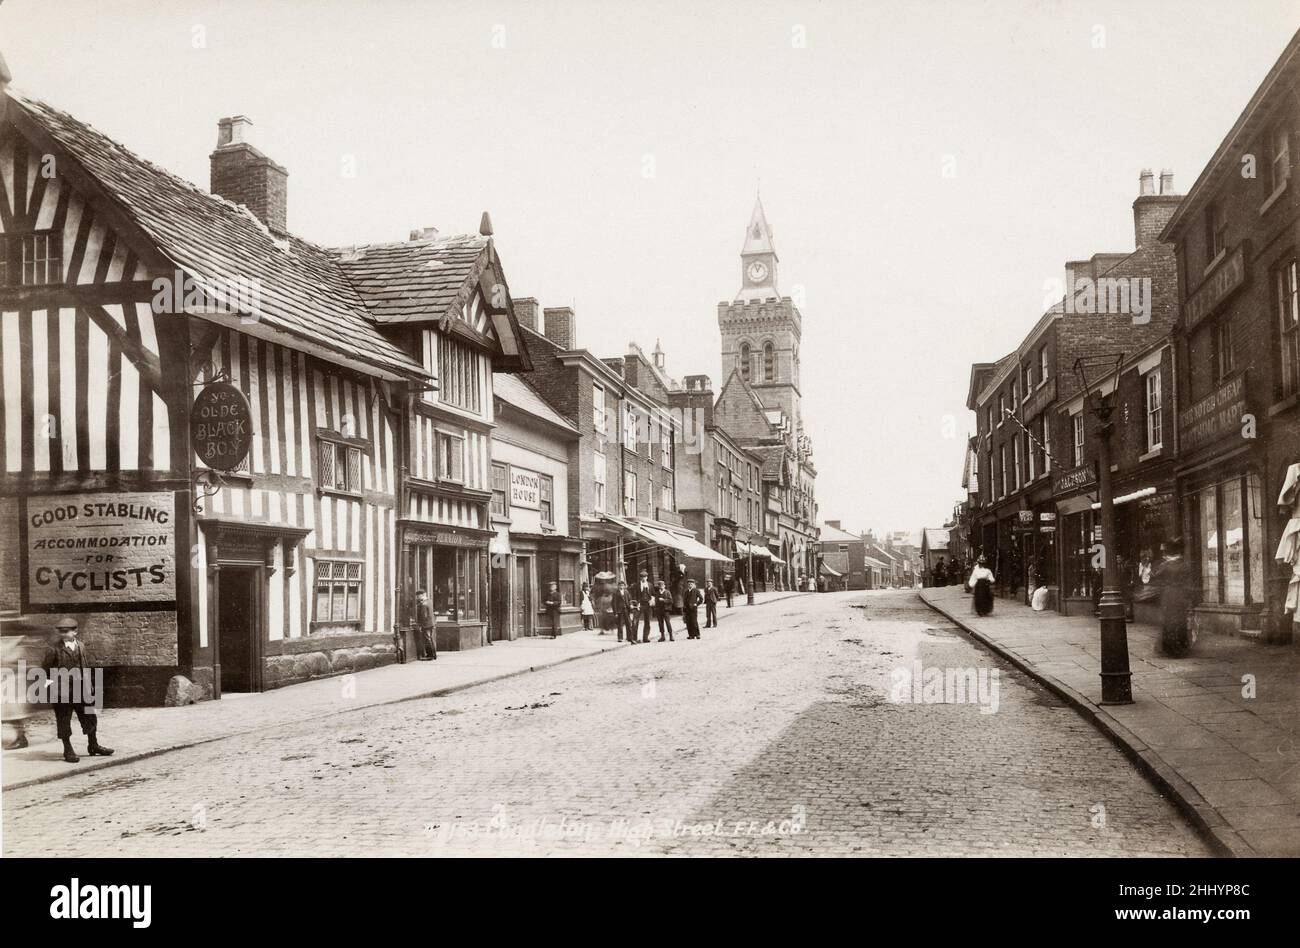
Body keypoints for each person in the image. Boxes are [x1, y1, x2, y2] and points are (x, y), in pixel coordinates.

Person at [41, 618, 113, 763]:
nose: (63, 634)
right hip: (62, 691)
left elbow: (84, 665)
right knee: (64, 720)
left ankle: (93, 745)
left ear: (75, 631)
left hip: (81, 689)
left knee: (90, 717)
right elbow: (45, 670)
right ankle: (68, 750)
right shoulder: (53, 649)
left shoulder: (81, 646)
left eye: (66, 631)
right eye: (61, 631)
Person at [1152, 539, 1193, 656]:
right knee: (1179, 620)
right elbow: (1187, 577)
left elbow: (1155, 575)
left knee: (1168, 620)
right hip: (1180, 594)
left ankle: (1169, 647)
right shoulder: (1183, 564)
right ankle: (1180, 647)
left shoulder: (1166, 565)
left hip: (1168, 594)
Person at [414, 589, 437, 660]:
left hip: (426, 624)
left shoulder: (423, 604)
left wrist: (420, 625)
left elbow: (424, 616)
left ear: (422, 595)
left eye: (418, 596)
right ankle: (434, 654)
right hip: (431, 623)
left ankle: (430, 655)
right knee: (430, 638)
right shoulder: (429, 601)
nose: (417, 598)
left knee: (427, 639)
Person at [635, 570, 655, 643]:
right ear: (640, 578)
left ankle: (645, 638)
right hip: (639, 605)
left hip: (648, 605)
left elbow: (653, 594)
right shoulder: (637, 585)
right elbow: (634, 595)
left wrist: (652, 600)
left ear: (647, 577)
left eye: (645, 577)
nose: (644, 578)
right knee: (635, 621)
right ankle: (634, 638)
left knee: (647, 622)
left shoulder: (650, 585)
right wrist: (637, 603)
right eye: (642, 577)